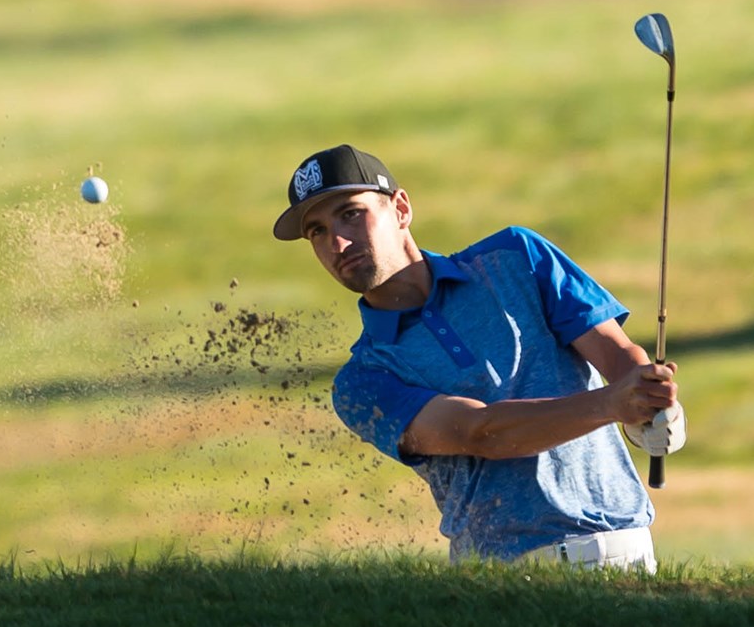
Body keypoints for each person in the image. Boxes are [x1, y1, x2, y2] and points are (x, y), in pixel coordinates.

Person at [273, 144, 685, 572]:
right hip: (504, 577)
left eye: (351, 213)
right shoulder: (363, 380)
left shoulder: (517, 257)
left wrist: (650, 405)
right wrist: (613, 404)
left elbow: (616, 355)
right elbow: (480, 433)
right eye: (316, 232)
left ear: (400, 208)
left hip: (627, 551)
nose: (337, 242)